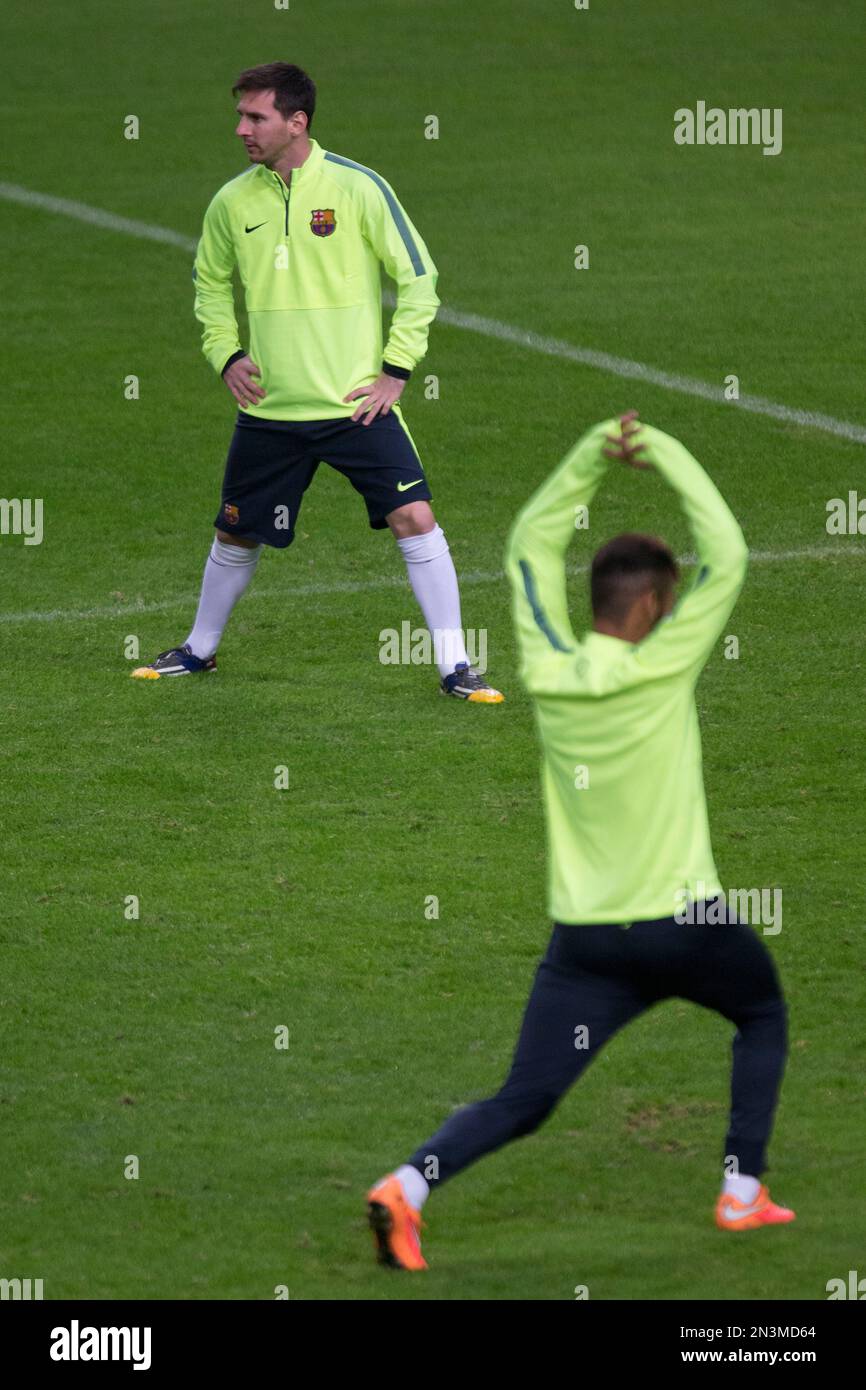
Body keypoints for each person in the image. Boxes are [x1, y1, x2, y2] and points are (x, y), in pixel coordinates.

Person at [367, 412, 792, 1270]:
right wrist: (660, 449)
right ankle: (742, 1192)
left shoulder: (550, 671)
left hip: (589, 943)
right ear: (659, 606)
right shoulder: (666, 664)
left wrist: (593, 453)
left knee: (526, 1097)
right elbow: (731, 551)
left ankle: (406, 1187)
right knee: (760, 1012)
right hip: (686, 926)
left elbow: (529, 544)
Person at [132, 61, 502, 703]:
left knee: (415, 516)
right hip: (272, 410)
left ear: (296, 122)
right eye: (241, 116)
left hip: (356, 406)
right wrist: (225, 353)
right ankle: (198, 650)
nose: (242, 129)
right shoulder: (231, 202)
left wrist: (396, 370)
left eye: (256, 117)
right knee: (235, 531)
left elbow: (419, 278)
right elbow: (210, 284)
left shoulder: (358, 187)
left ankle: (455, 666)